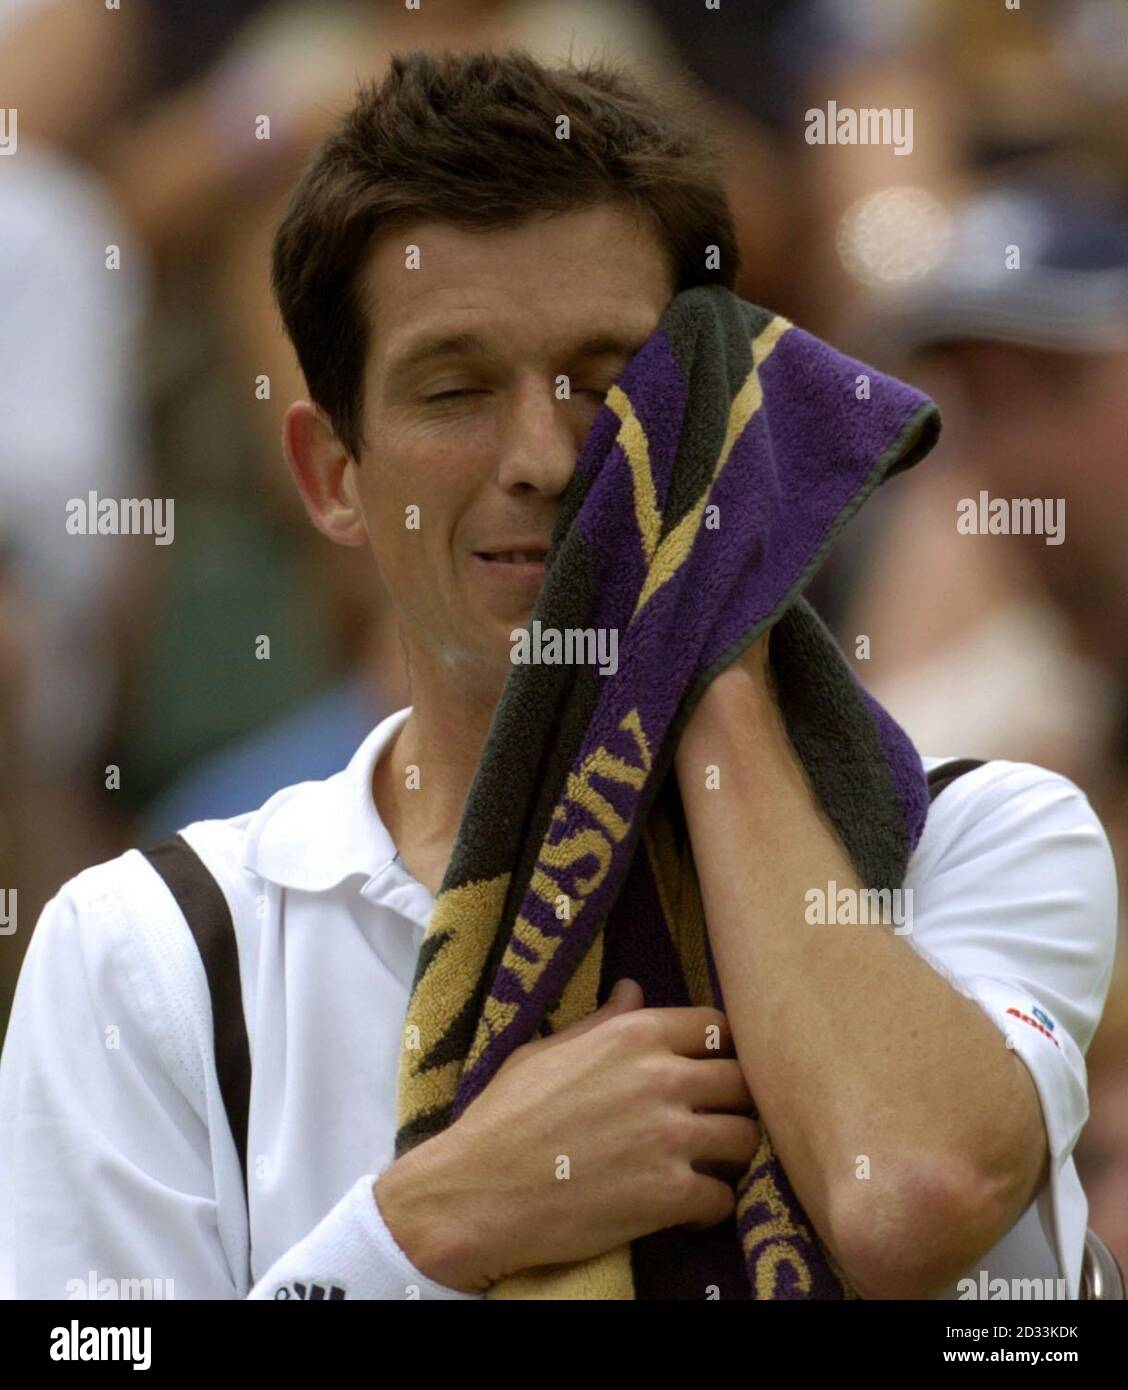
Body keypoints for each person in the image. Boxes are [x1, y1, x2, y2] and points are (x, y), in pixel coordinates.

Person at [0, 49, 1117, 1302]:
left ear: (716, 414)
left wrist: (708, 662)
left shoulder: (981, 837)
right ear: (332, 477)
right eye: (455, 389)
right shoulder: (148, 947)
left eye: (606, 380)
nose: (542, 453)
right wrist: (431, 1225)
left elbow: (908, 1195)